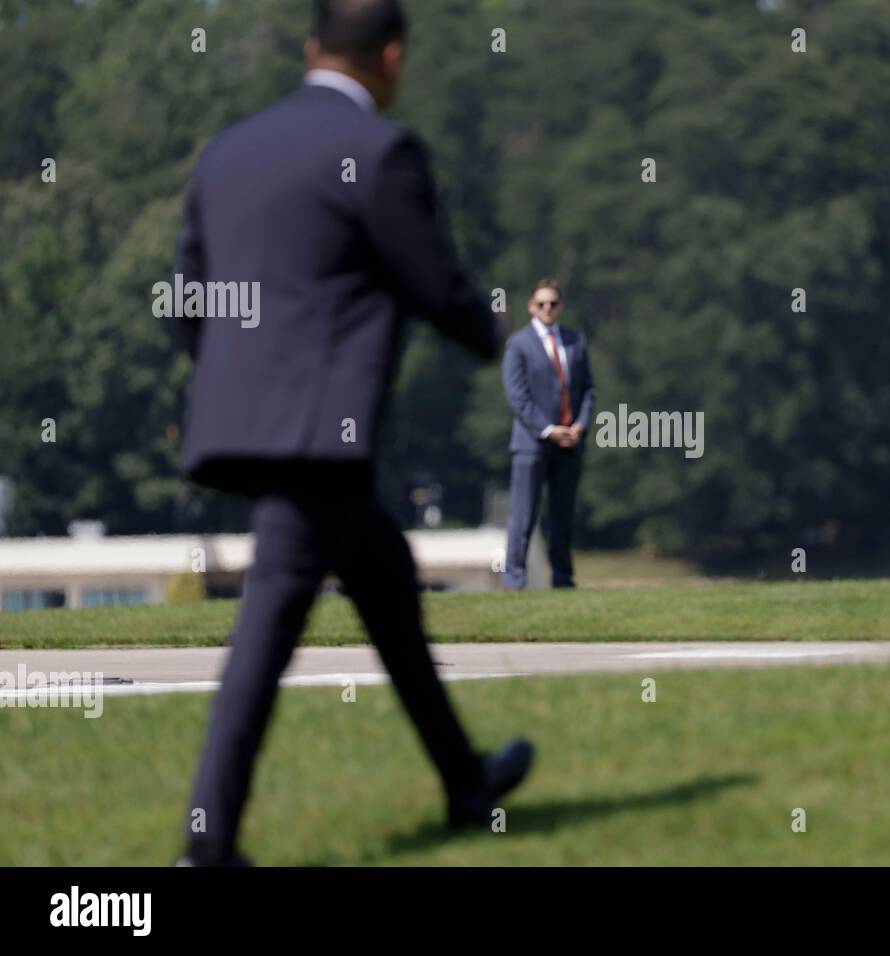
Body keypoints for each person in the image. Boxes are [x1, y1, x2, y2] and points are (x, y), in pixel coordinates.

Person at [173, 0, 532, 866]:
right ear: (393, 57)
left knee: (384, 574)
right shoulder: (380, 153)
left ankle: (464, 780)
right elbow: (435, 283)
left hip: (248, 420)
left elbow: (189, 293)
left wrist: (234, 381)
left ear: (310, 49)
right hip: (316, 436)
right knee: (268, 621)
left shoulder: (229, 149)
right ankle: (206, 845)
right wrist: (504, 340)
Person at [501, 279, 596, 590]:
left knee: (562, 518)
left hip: (570, 443)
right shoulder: (519, 344)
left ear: (561, 306)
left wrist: (579, 425)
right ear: (531, 307)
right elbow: (518, 397)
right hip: (532, 444)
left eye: (553, 303)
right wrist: (549, 430)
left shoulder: (575, 341)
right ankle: (514, 580)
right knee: (523, 517)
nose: (547, 309)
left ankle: (563, 580)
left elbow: (588, 391)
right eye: (541, 304)